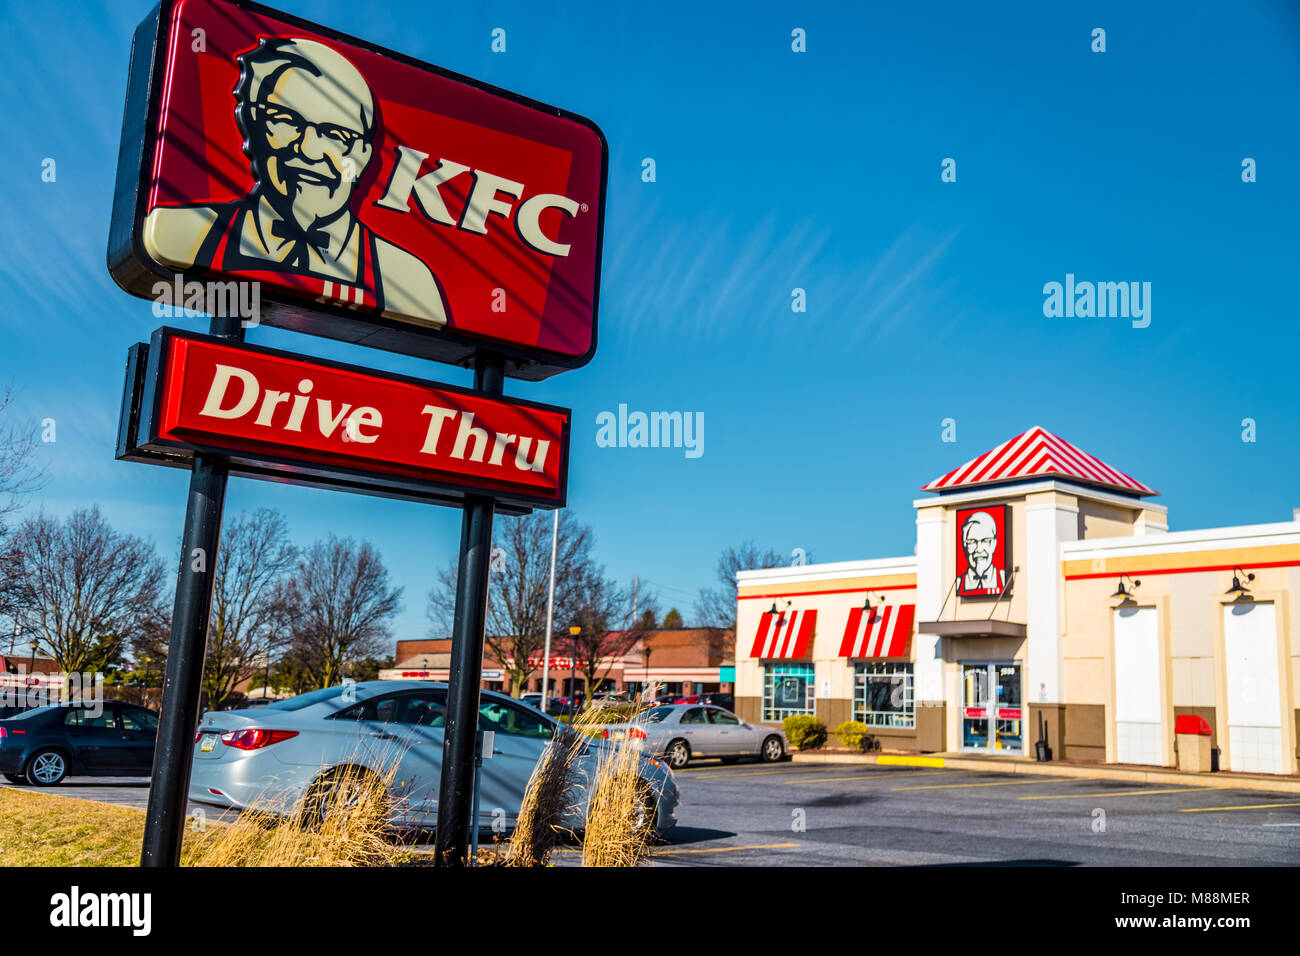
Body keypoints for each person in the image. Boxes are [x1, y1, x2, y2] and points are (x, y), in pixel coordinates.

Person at [143, 37, 447, 326]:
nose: (310, 150)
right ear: (253, 126)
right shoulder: (181, 234)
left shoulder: (411, 284)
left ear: (365, 154)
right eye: (286, 121)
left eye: (337, 135)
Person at [960, 510, 1006, 595]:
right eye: (972, 541)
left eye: (985, 541)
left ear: (994, 544)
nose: (979, 549)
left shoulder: (1005, 579)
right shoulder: (957, 584)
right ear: (965, 545)